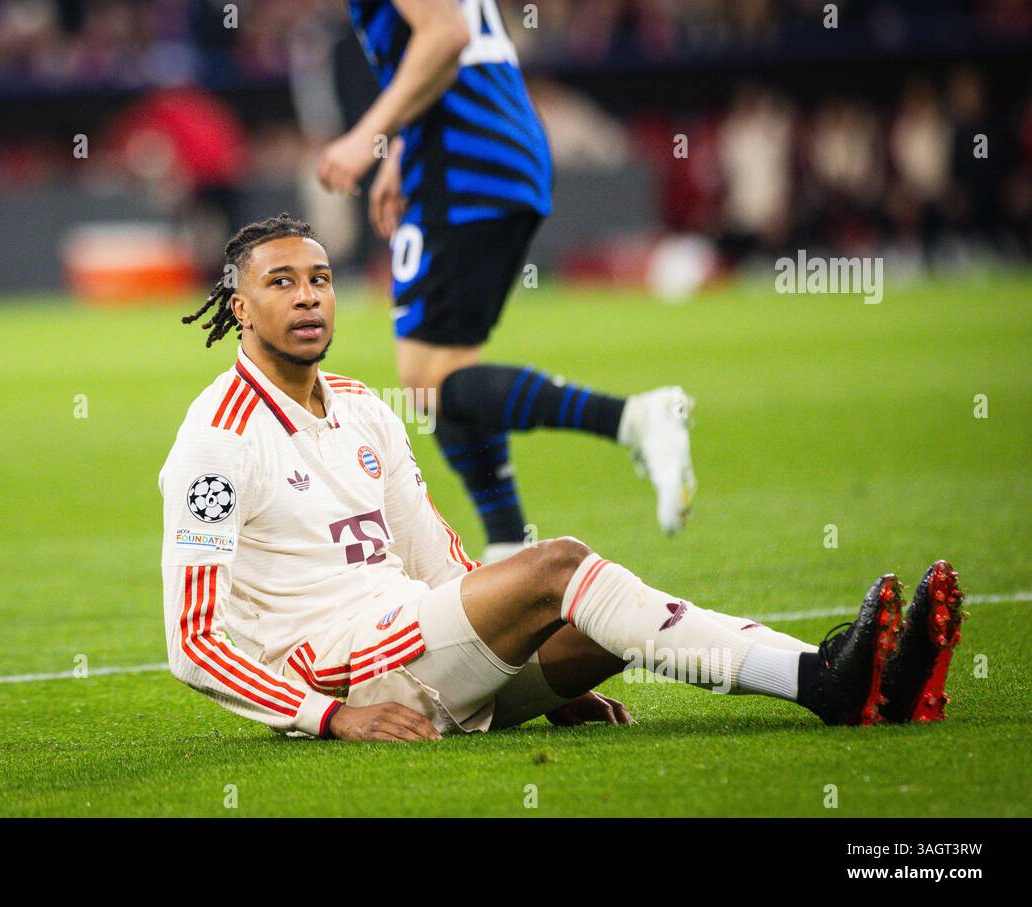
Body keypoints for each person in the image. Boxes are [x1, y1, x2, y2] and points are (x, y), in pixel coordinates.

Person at [162, 214, 965, 741]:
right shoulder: (217, 439)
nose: (309, 298)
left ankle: (867, 684)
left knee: (602, 624)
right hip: (342, 671)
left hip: (413, 642)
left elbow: (441, 565)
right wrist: (329, 717)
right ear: (238, 306)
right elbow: (194, 644)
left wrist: (521, 659)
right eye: (281, 283)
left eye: (321, 279)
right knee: (558, 565)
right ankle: (826, 678)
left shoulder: (362, 406)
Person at [317, 0, 695, 558]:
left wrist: (365, 135)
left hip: (466, 161)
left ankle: (635, 419)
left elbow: (446, 34)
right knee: (438, 373)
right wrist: (401, 147)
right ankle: (508, 544)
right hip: (484, 148)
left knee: (428, 378)